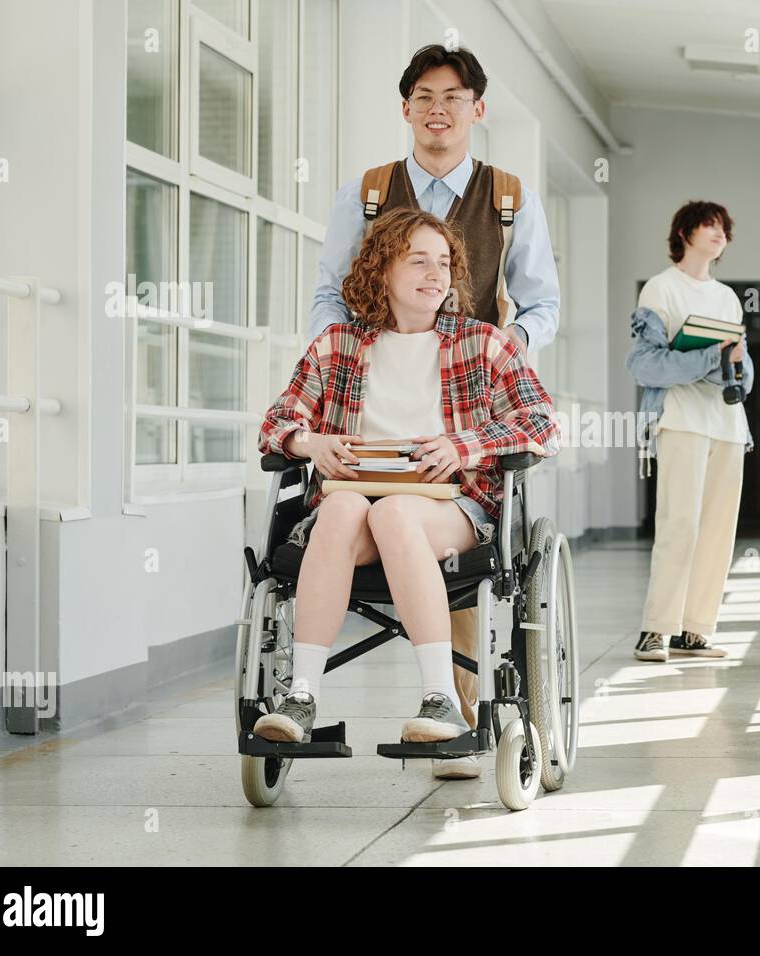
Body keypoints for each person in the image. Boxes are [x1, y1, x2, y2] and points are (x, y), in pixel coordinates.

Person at [306, 43, 561, 778]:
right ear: (406, 108)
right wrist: (341, 360)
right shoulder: (366, 192)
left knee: (457, 564)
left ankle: (458, 709)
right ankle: (307, 688)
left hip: (466, 408)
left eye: (453, 97)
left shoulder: (510, 199)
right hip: (374, 392)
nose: (438, 109)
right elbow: (329, 293)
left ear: (477, 110)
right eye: (423, 96)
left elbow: (541, 304)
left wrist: (492, 352)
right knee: (354, 509)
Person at [253, 208, 559, 765]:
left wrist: (462, 446)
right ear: (382, 269)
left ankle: (440, 698)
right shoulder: (337, 345)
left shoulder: (485, 343)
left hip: (451, 509)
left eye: (443, 262)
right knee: (343, 506)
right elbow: (275, 424)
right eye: (418, 260)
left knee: (394, 511)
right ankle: (301, 697)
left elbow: (540, 424)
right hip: (355, 507)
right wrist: (311, 443)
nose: (435, 273)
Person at [626, 201, 755, 663]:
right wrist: (709, 359)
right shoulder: (660, 290)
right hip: (680, 420)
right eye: (710, 225)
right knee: (679, 524)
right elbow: (645, 365)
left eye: (725, 227)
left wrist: (731, 364)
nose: (720, 234)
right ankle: (656, 629)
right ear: (684, 232)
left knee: (719, 530)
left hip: (727, 424)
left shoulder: (726, 297)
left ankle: (697, 630)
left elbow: (744, 371)